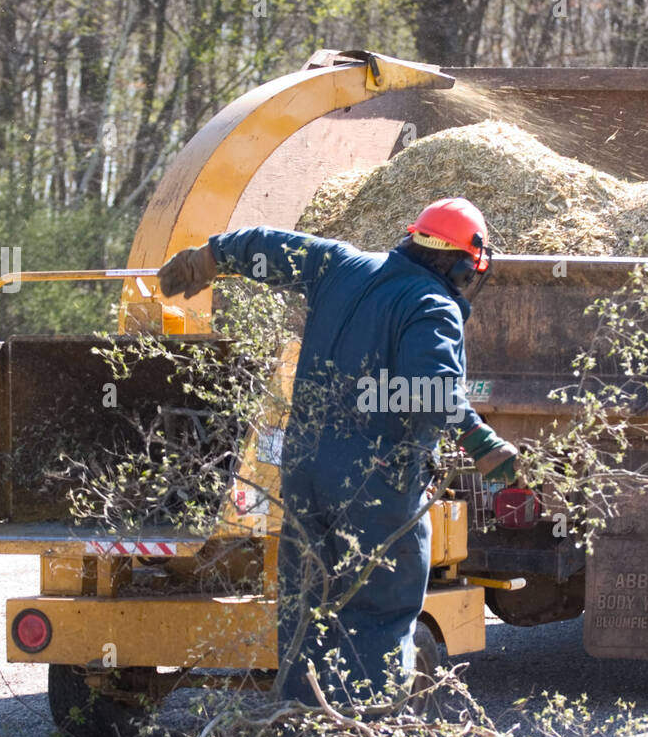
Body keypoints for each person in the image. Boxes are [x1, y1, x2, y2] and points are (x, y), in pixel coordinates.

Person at [157, 198, 518, 708]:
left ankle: (301, 730)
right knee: (379, 611)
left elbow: (265, 245)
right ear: (462, 263)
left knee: (307, 605)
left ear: (413, 237)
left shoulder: (342, 265)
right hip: (376, 485)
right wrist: (481, 441)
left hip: (305, 475)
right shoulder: (431, 306)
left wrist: (210, 259)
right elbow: (430, 388)